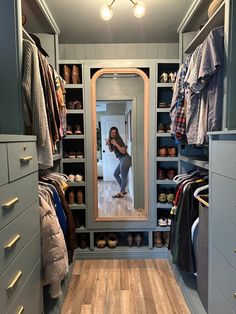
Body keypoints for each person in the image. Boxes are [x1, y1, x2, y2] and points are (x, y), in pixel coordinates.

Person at [105, 126, 131, 198]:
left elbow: (123, 151)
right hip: (122, 159)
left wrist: (116, 144)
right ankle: (122, 190)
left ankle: (121, 193)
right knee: (115, 174)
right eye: (112, 132)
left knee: (124, 177)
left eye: (114, 133)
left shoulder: (118, 140)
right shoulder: (112, 140)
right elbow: (111, 150)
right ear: (110, 133)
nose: (113, 134)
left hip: (125, 158)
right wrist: (109, 144)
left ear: (116, 133)